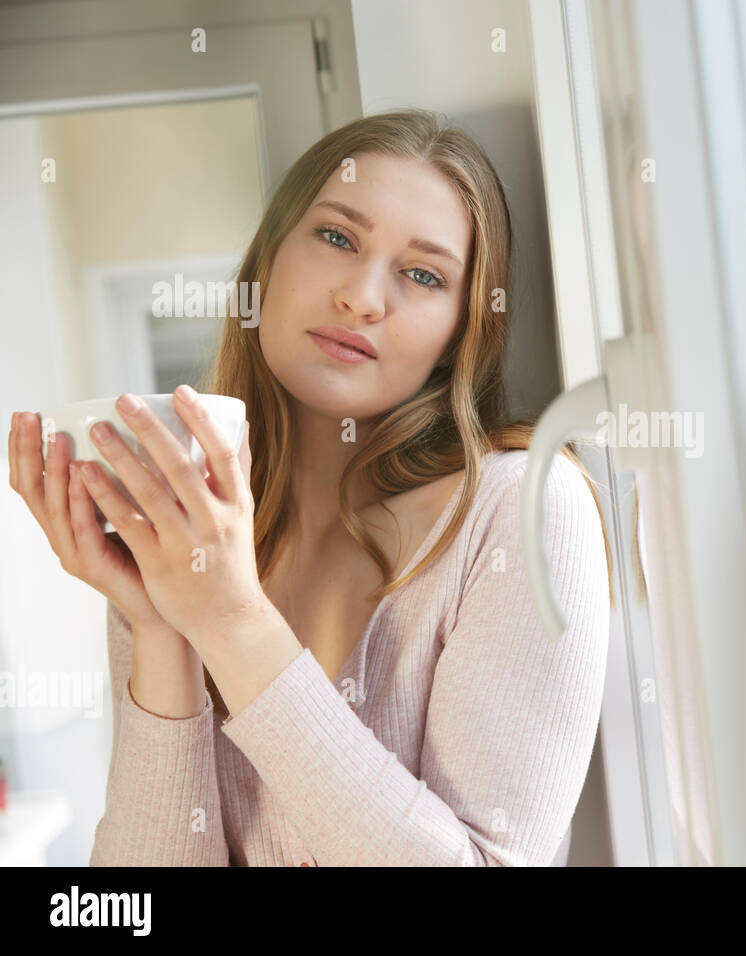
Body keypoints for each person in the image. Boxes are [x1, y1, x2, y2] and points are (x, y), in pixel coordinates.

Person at [7, 109, 613, 866]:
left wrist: (229, 622)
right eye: (336, 237)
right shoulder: (181, 538)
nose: (362, 297)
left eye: (422, 274)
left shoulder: (524, 510)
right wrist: (161, 627)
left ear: (461, 332)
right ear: (267, 263)